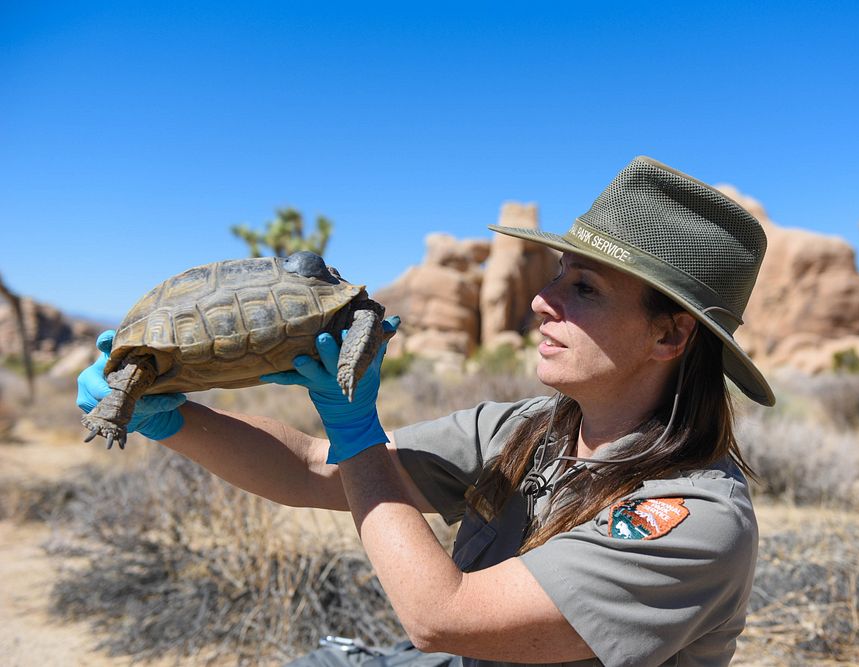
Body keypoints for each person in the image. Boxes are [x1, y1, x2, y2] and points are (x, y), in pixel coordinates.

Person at [77, 156, 775, 667]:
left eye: (583, 287)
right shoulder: (526, 431)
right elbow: (317, 468)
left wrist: (357, 427)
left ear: (669, 334)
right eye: (554, 276)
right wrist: (167, 416)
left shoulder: (692, 519)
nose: (540, 300)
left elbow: (443, 617)